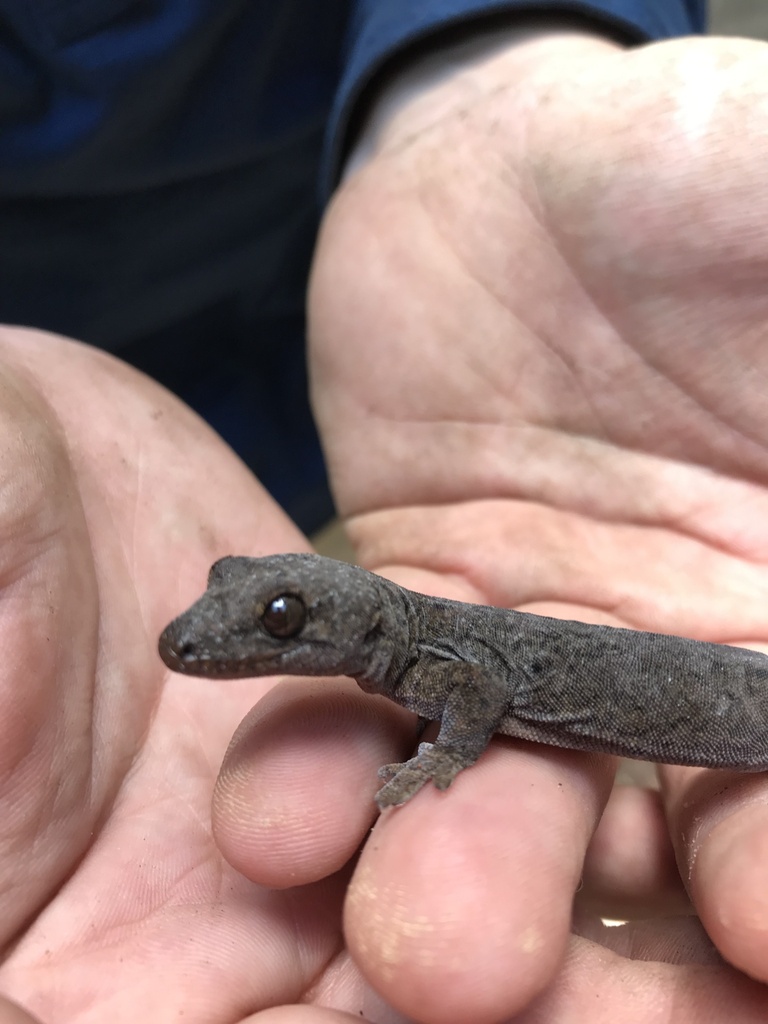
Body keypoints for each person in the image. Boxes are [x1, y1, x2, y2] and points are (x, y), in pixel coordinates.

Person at [3, 1, 768, 1021]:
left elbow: (479, 704)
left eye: (281, 621)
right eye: (267, 613)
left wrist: (482, 52)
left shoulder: (438, 665)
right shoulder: (413, 653)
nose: (226, 639)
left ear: (358, 626)